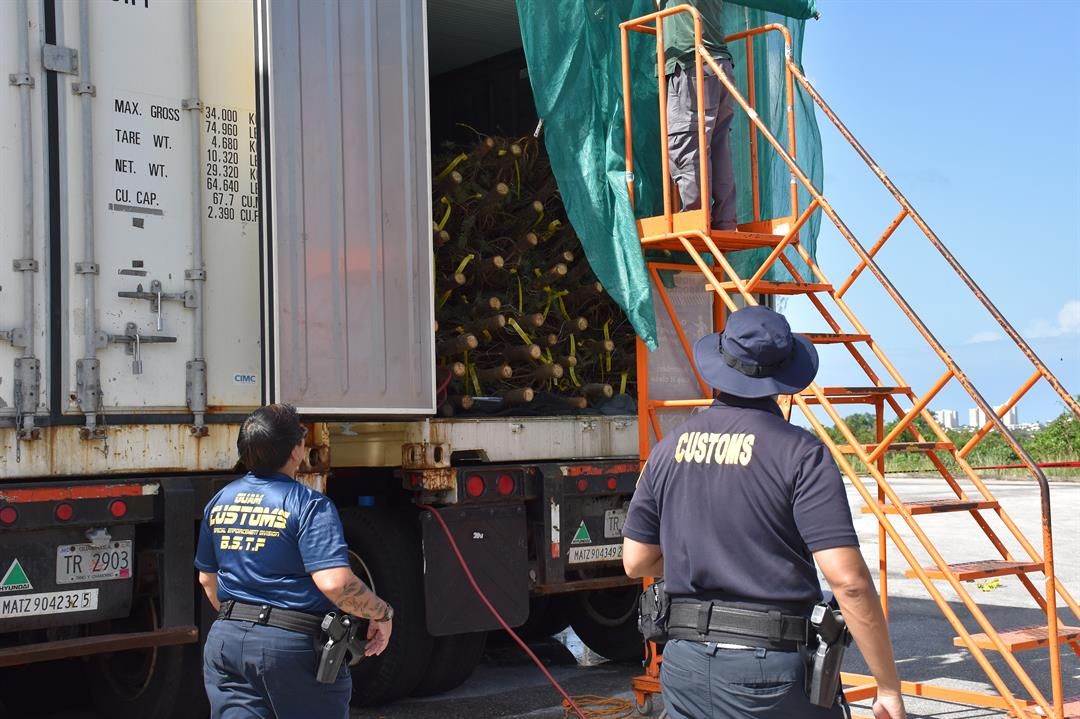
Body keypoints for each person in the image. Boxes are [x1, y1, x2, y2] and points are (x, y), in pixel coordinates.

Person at [622, 306, 907, 719]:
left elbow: (636, 561)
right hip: (768, 673)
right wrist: (888, 686)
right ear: (785, 377)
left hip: (684, 665)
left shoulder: (668, 449)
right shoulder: (801, 454)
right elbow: (849, 583)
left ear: (718, 367)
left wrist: (709, 554)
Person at [195, 404, 394, 719]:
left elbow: (208, 580)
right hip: (292, 651)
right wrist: (381, 614)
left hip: (226, 643)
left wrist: (243, 621)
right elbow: (335, 583)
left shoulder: (220, 501)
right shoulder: (310, 506)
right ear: (296, 452)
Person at [658, 0, 737, 231]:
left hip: (693, 63)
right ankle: (725, 221)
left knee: (687, 141)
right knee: (718, 144)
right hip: (719, 64)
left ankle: (695, 219)